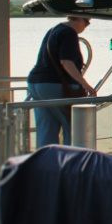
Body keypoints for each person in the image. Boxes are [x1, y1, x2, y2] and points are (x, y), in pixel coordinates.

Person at [26, 16, 94, 147]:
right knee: (73, 125)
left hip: (36, 83)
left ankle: (47, 162)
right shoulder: (69, 32)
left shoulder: (54, 30)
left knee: (46, 127)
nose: (86, 27)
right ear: (79, 19)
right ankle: (71, 161)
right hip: (55, 85)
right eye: (87, 22)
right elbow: (66, 61)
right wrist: (83, 83)